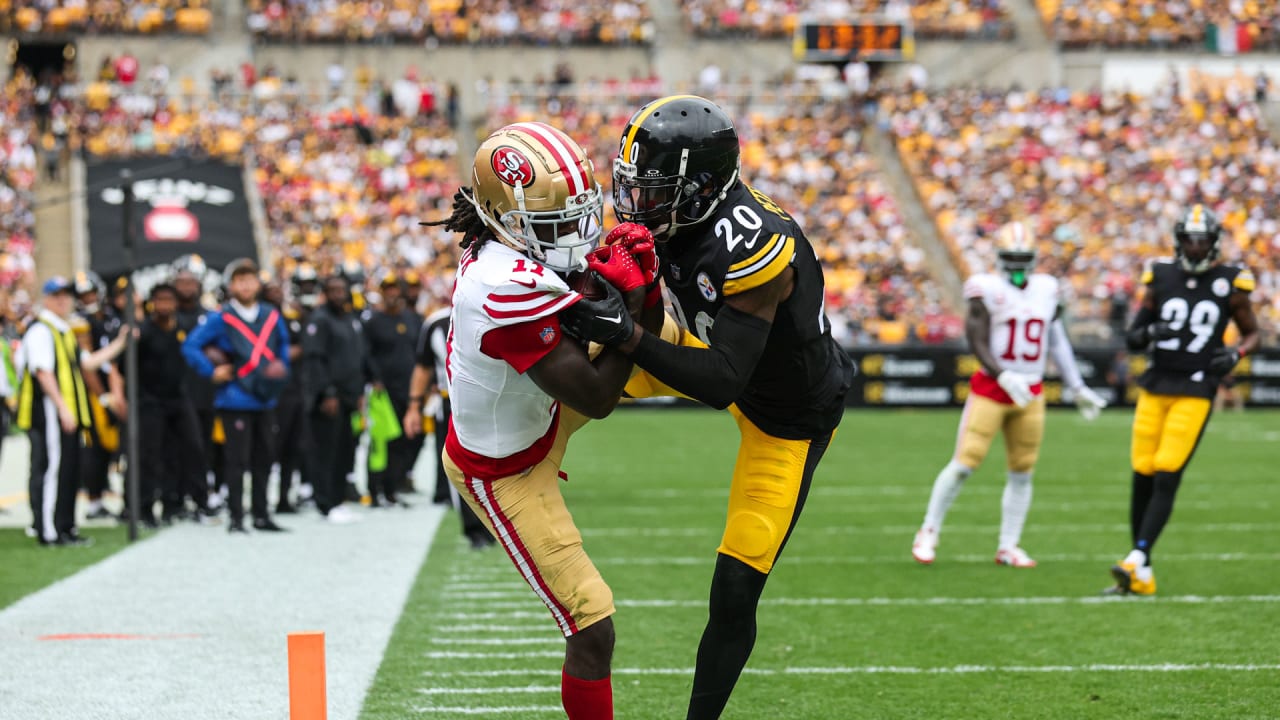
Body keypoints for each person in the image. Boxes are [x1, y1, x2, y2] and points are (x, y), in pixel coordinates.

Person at [561, 95, 854, 720]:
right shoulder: (681, 219)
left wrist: (630, 334)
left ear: (700, 186)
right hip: (715, 354)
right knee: (577, 363)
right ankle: (514, 459)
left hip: (785, 418)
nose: (636, 202)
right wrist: (619, 307)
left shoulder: (753, 247)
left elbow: (721, 381)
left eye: (654, 189)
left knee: (735, 589)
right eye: (632, 185)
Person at [422, 121, 649, 720]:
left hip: (535, 418)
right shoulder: (503, 286)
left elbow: (572, 285)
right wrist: (633, 303)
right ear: (506, 220)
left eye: (580, 216)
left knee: (662, 357)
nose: (576, 237)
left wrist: (608, 285)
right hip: (503, 470)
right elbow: (599, 396)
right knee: (591, 621)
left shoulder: (501, 245)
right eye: (556, 226)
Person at [910, 221, 1108, 568]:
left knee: (1023, 470)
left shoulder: (1047, 289)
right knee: (964, 463)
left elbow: (1056, 339)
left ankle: (1009, 545)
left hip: (1031, 390)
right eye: (1011, 257)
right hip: (992, 388)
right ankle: (928, 530)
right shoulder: (985, 288)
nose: (1017, 264)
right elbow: (977, 338)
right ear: (999, 257)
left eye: (1023, 257)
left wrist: (1076, 386)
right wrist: (1003, 375)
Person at [1107, 205, 1258, 596]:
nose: (1194, 247)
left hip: (1196, 386)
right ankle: (1142, 572)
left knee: (1167, 469)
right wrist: (1141, 335)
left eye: (1201, 240)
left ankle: (1138, 556)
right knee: (1142, 472)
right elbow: (1136, 333)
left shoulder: (1231, 281)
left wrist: (1237, 355)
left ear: (1213, 242)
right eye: (1188, 240)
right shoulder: (1159, 275)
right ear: (1178, 241)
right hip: (1156, 383)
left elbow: (1252, 334)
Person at [182, 259, 291, 534]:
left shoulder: (271, 314)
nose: (245, 284)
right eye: (239, 279)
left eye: (250, 278)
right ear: (231, 285)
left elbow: (284, 346)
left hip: (265, 397)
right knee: (236, 459)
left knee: (264, 458)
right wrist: (212, 371)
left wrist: (280, 371)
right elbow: (191, 345)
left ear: (258, 283)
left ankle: (262, 514)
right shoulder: (221, 317)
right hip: (235, 397)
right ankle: (236, 517)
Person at [17, 277, 128, 546]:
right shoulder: (41, 330)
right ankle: (49, 530)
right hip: (50, 411)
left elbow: (88, 363)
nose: (63, 300)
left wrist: (121, 342)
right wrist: (63, 409)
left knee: (68, 470)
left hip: (67, 413)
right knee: (53, 470)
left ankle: (65, 526)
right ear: (46, 299)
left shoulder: (63, 330)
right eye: (57, 296)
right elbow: (43, 373)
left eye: (67, 295)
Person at [403, 302, 492, 549]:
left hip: (489, 400)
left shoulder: (492, 312)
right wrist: (414, 406)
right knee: (460, 466)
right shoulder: (436, 323)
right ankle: (473, 529)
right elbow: (423, 367)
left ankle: (493, 525)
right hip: (450, 402)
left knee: (493, 463)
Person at [138, 282, 213, 525]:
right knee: (151, 455)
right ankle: (145, 507)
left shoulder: (182, 327)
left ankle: (179, 503)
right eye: (160, 300)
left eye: (169, 300)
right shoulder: (144, 332)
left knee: (190, 447)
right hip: (151, 400)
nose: (165, 305)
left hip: (179, 397)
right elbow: (126, 369)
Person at [302, 275, 365, 523]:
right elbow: (315, 360)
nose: (339, 294)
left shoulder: (349, 318)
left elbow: (355, 357)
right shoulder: (319, 320)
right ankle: (325, 503)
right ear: (325, 293)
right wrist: (326, 393)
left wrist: (359, 392)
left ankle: (338, 499)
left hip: (348, 396)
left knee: (344, 451)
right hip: (329, 398)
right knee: (325, 452)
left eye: (342, 289)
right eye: (333, 290)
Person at [361, 271, 419, 507]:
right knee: (380, 442)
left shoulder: (414, 319)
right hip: (382, 393)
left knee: (403, 442)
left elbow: (420, 355)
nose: (392, 293)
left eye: (395, 288)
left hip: (408, 390)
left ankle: (392, 489)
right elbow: (364, 353)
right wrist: (373, 379)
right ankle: (374, 491)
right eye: (388, 289)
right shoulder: (373, 321)